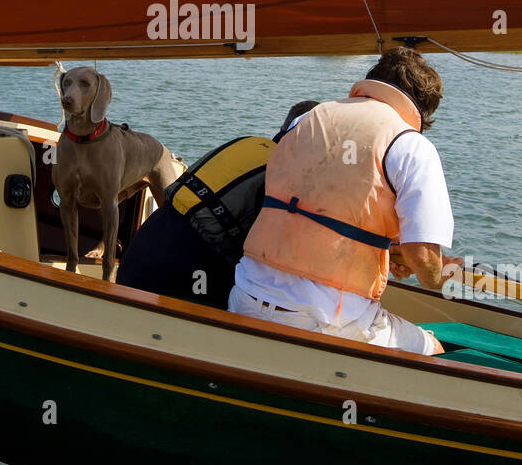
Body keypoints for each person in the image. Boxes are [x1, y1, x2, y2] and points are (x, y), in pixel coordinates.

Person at [229, 48, 461, 355]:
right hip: (321, 319)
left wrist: (385, 250)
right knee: (434, 350)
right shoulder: (410, 145)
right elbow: (423, 255)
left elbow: (313, 209)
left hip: (244, 295)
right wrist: (439, 276)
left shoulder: (304, 119)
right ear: (423, 113)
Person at [116, 101, 319, 307]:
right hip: (178, 287)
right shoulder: (283, 176)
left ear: (282, 129)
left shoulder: (246, 145)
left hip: (133, 263)